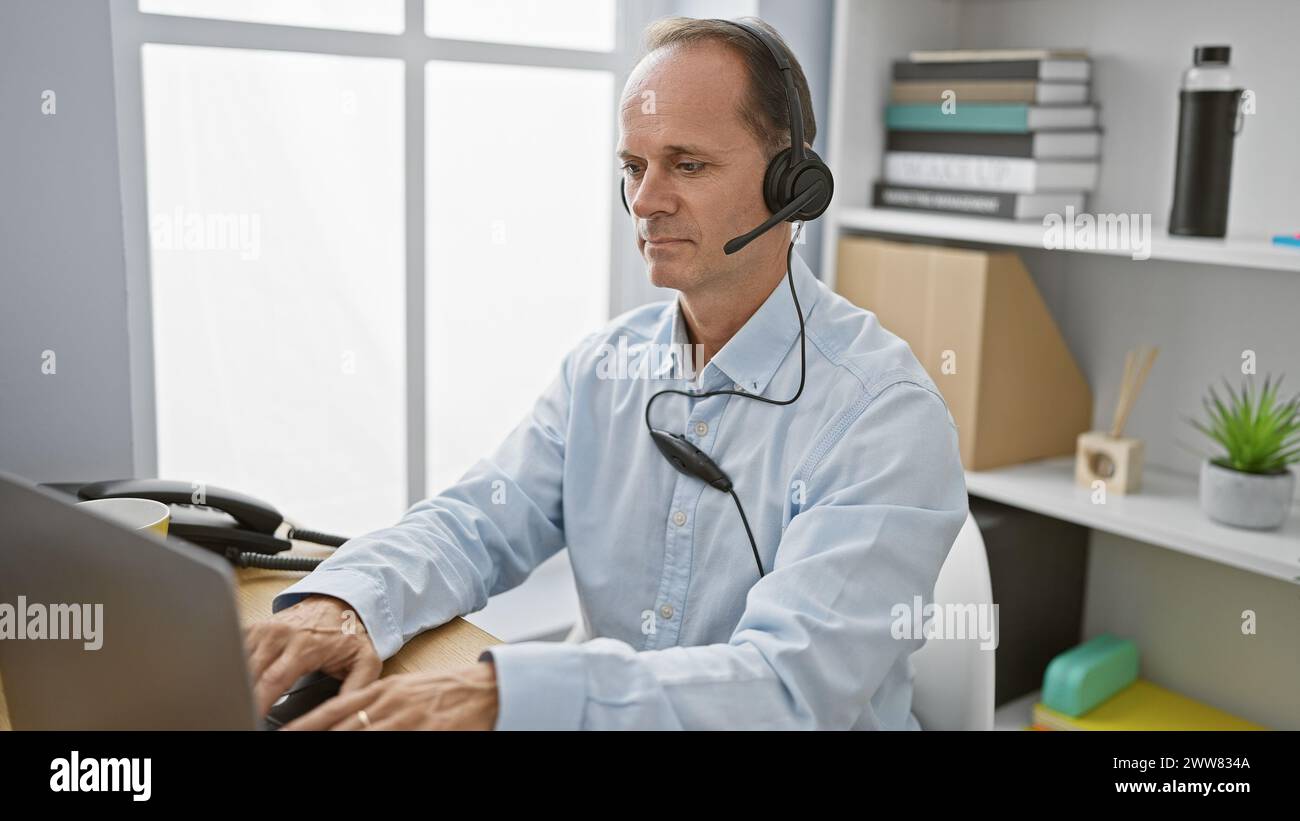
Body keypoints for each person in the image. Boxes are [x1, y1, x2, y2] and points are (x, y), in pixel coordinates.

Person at [243, 16, 968, 731]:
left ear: (793, 183)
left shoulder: (884, 416)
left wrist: (503, 697)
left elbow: (787, 690)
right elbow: (476, 521)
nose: (646, 201)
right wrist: (346, 604)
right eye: (633, 166)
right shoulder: (605, 370)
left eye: (688, 164)